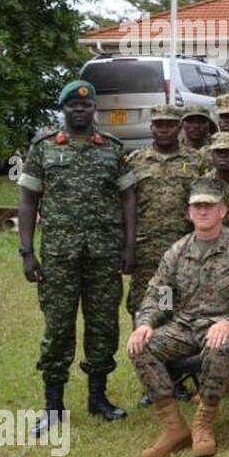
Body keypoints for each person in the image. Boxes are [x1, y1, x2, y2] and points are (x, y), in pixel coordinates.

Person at [18, 80, 135, 436]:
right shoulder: (43, 149)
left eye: (86, 105)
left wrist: (129, 246)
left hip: (103, 255)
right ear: (64, 110)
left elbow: (128, 198)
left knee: (103, 325)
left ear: (94, 109)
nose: (80, 110)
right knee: (57, 328)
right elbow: (28, 200)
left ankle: (98, 398)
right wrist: (27, 251)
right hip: (59, 256)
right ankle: (53, 407)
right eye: (73, 106)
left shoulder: (112, 149)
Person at [127, 177, 229, 457]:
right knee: (141, 347)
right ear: (188, 213)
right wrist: (145, 324)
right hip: (185, 325)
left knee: (218, 347)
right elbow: (160, 296)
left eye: (209, 206)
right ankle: (174, 427)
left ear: (222, 211)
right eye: (197, 206)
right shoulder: (177, 252)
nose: (202, 212)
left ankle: (203, 424)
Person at [124, 104, 203, 317]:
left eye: (170, 125)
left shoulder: (196, 161)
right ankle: (140, 348)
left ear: (180, 128)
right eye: (159, 125)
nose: (164, 130)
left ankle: (165, 346)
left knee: (170, 306)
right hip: (145, 250)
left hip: (182, 248)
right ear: (151, 128)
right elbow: (125, 205)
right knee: (143, 307)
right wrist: (128, 247)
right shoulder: (136, 161)